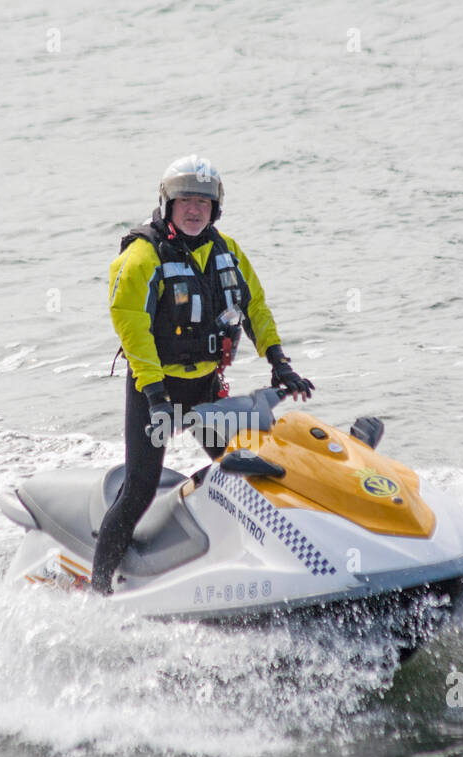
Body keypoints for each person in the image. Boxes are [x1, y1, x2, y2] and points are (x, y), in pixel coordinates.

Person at [90, 155, 314, 595]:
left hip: (205, 390)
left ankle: (277, 564)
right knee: (140, 487)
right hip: (155, 391)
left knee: (247, 469)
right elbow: (131, 326)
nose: (194, 210)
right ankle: (96, 591)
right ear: (168, 204)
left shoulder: (228, 251)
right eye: (185, 201)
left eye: (203, 203)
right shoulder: (141, 257)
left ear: (216, 209)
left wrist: (279, 362)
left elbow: (255, 308)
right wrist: (154, 394)